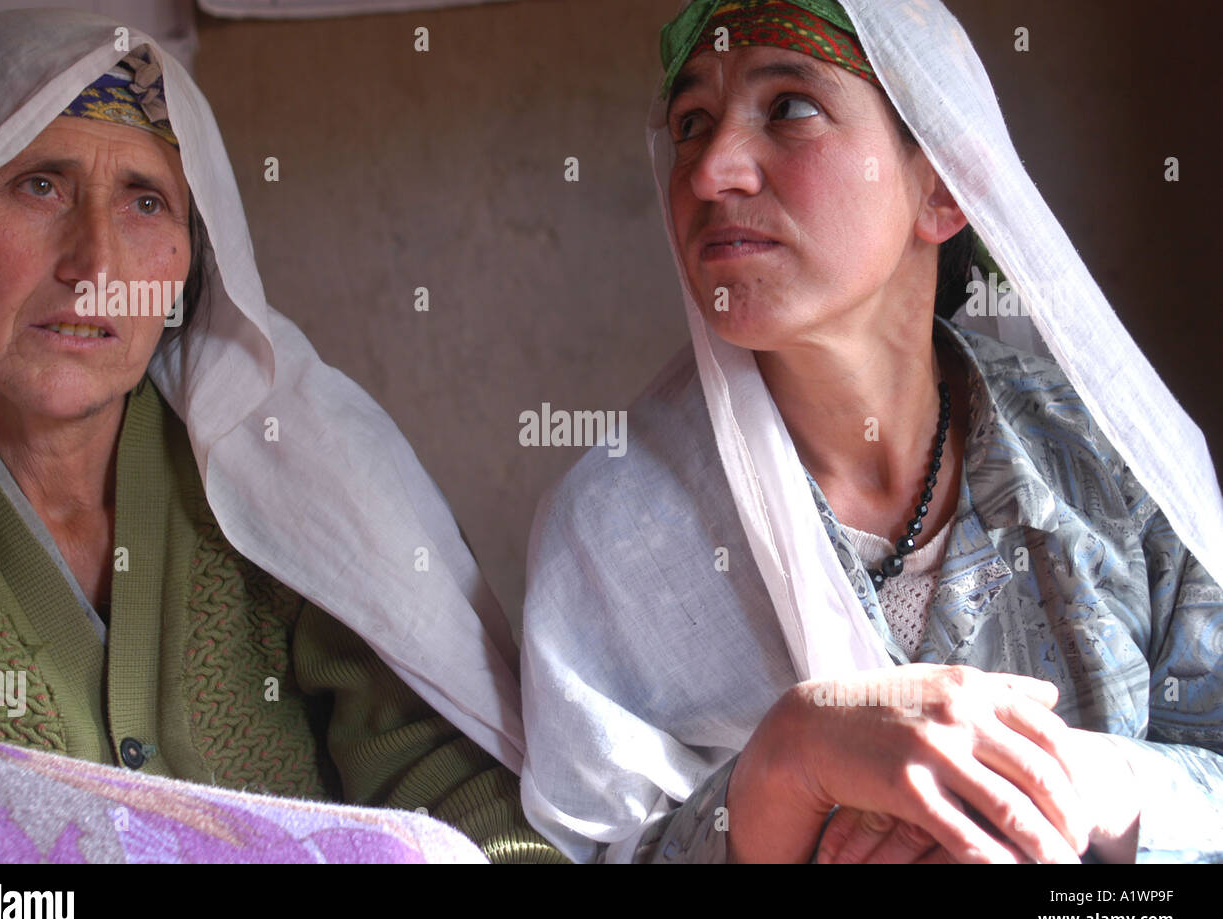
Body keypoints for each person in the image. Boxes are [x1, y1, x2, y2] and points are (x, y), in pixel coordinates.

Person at [520, 0, 1223, 863]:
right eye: (691, 123)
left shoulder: (1109, 459)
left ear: (943, 186)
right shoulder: (613, 535)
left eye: (788, 107)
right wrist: (789, 764)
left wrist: (1070, 787)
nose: (710, 172)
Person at [0, 8, 561, 863]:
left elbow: (448, 774)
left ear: (191, 261)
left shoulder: (275, 475)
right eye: (40, 185)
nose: (95, 266)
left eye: (146, 202)